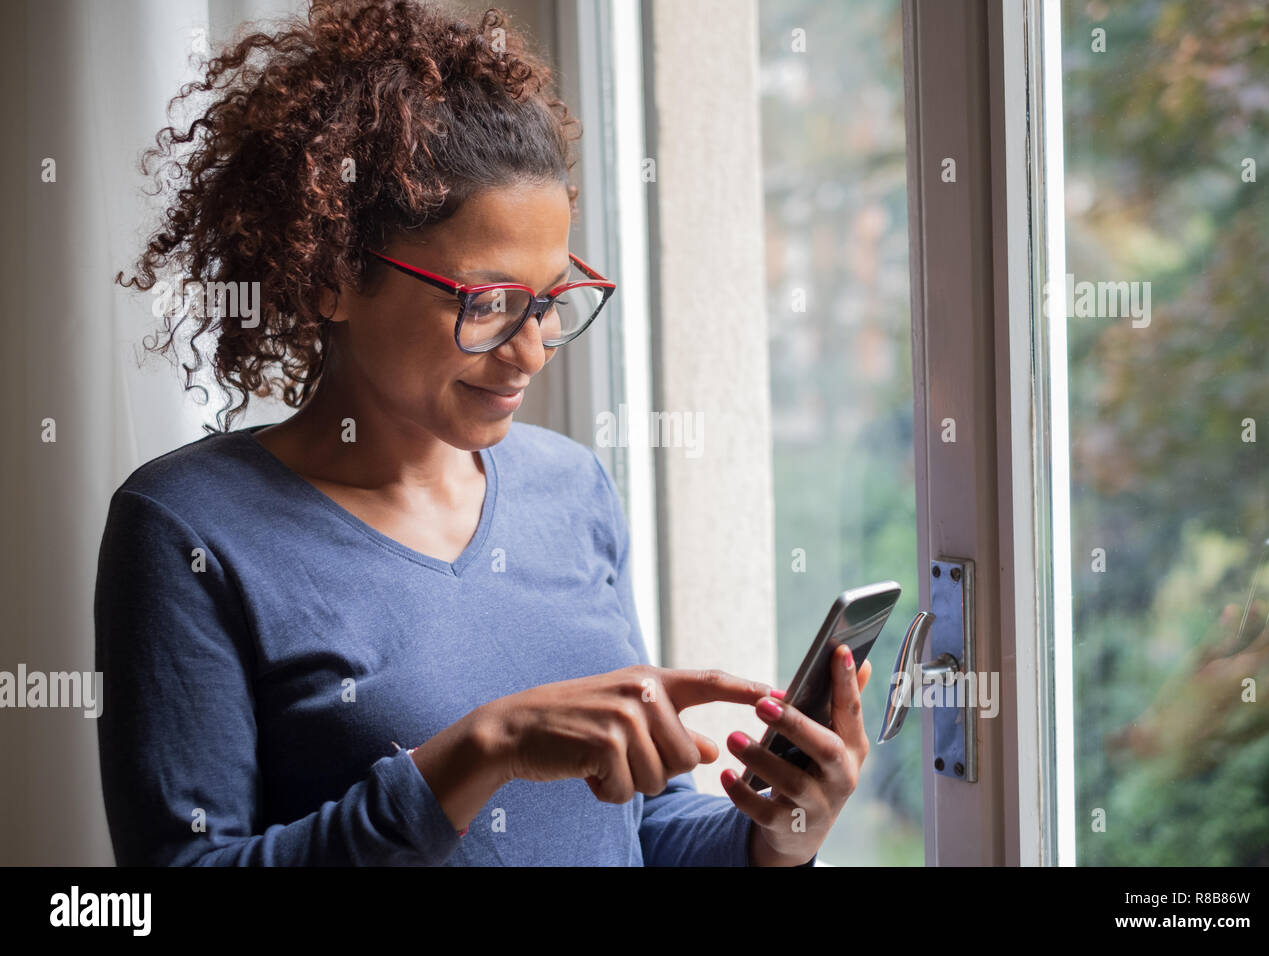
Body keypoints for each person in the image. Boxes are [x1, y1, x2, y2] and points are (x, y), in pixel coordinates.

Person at [97, 0, 872, 866]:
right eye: (489, 303)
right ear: (332, 277)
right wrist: (477, 755)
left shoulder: (570, 489)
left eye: (548, 301)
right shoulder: (190, 530)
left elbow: (642, 831)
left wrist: (778, 834)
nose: (532, 350)